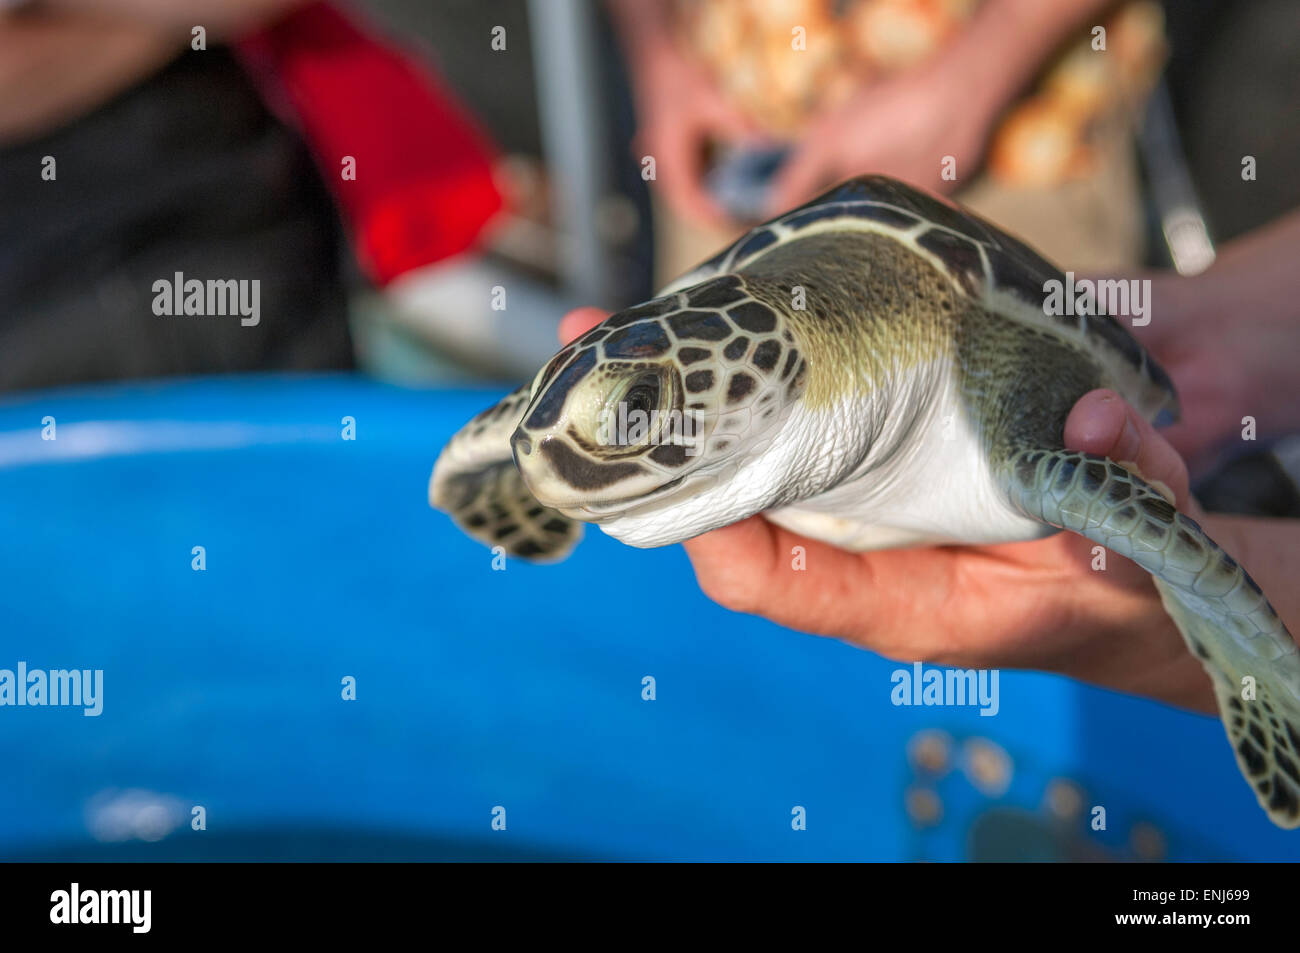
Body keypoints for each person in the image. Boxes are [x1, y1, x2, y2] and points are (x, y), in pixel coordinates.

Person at [555, 207, 1300, 715]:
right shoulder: (725, 346)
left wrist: (1165, 641)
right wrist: (1235, 324)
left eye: (641, 412)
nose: (572, 471)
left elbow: (1180, 572)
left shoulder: (998, 406)